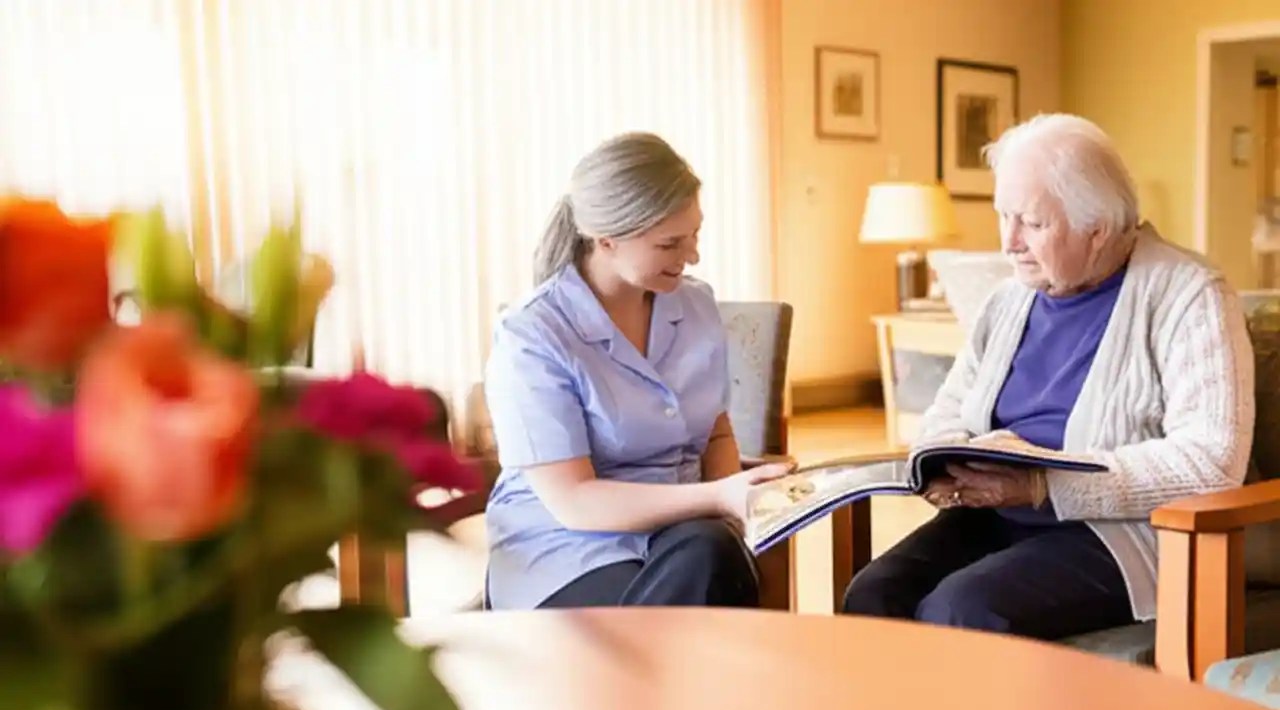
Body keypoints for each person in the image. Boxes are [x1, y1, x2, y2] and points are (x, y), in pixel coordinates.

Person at [841, 113, 1256, 639]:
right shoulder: (1008, 299)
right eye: (1003, 216)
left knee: (962, 610)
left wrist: (1044, 484)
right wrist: (945, 461)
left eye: (1032, 224)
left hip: (1118, 536)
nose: (1009, 241)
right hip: (995, 517)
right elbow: (949, 408)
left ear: (1098, 228)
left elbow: (1211, 461)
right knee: (873, 596)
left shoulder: (1189, 295)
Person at [482, 131, 792, 610]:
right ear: (606, 238)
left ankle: (641, 679)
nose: (692, 256)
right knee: (704, 578)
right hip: (567, 549)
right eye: (670, 244)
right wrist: (717, 499)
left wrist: (733, 510)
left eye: (695, 236)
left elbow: (715, 437)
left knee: (711, 555)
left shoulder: (695, 305)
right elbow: (574, 501)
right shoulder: (533, 333)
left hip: (682, 539)